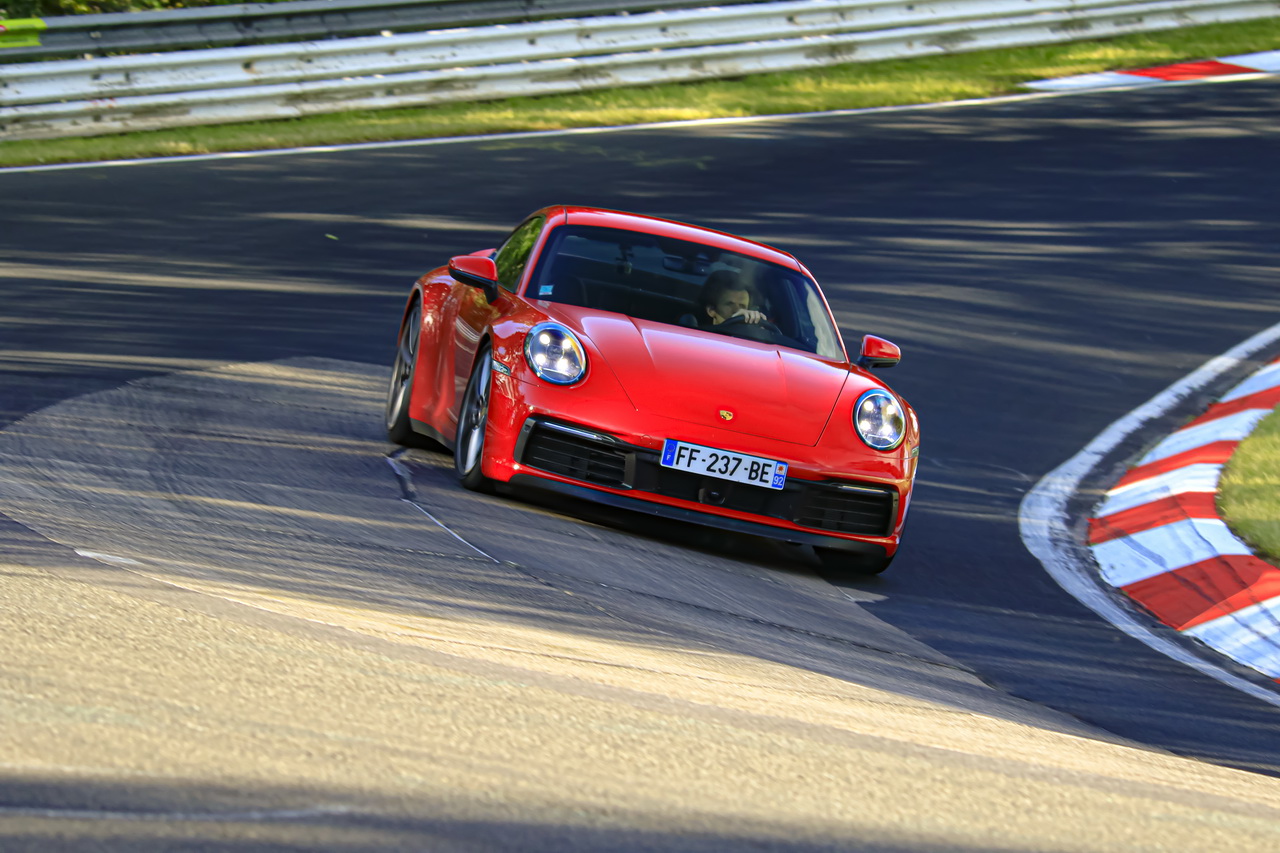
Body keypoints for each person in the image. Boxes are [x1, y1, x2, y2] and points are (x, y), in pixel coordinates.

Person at [695, 270, 765, 328]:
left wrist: (757, 330)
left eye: (742, 306)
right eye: (730, 304)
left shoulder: (750, 336)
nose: (737, 310)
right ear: (711, 310)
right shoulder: (699, 337)